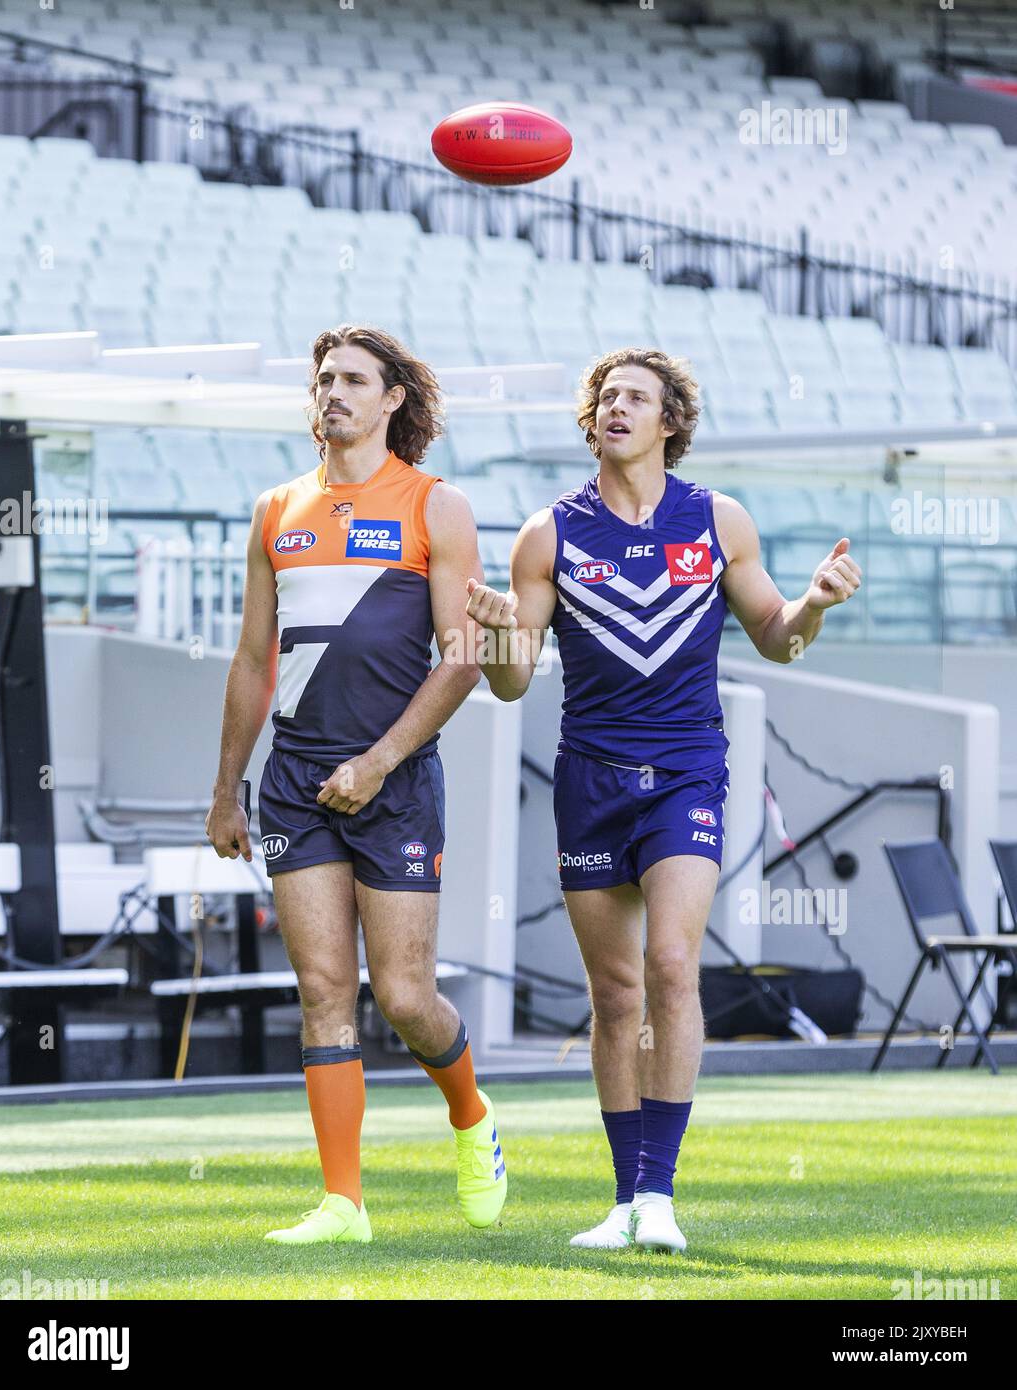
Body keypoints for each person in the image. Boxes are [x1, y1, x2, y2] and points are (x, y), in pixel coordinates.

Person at [466, 348, 860, 1251]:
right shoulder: (547, 534)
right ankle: (619, 1203)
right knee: (612, 997)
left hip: (687, 771)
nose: (616, 409)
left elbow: (774, 639)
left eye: (635, 399)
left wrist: (813, 604)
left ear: (668, 421)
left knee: (672, 969)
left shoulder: (717, 519)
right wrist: (494, 636)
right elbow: (513, 685)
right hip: (588, 777)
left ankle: (660, 1197)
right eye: (605, 398)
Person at [206, 324, 506, 1245]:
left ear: (392, 401)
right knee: (324, 990)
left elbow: (462, 659)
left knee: (405, 996)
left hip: (397, 775)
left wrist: (378, 761)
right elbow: (253, 659)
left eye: (352, 380)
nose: (331, 393)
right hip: (296, 777)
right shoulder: (274, 509)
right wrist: (227, 792)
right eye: (323, 379)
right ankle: (344, 1205)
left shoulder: (436, 507)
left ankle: (471, 1120)